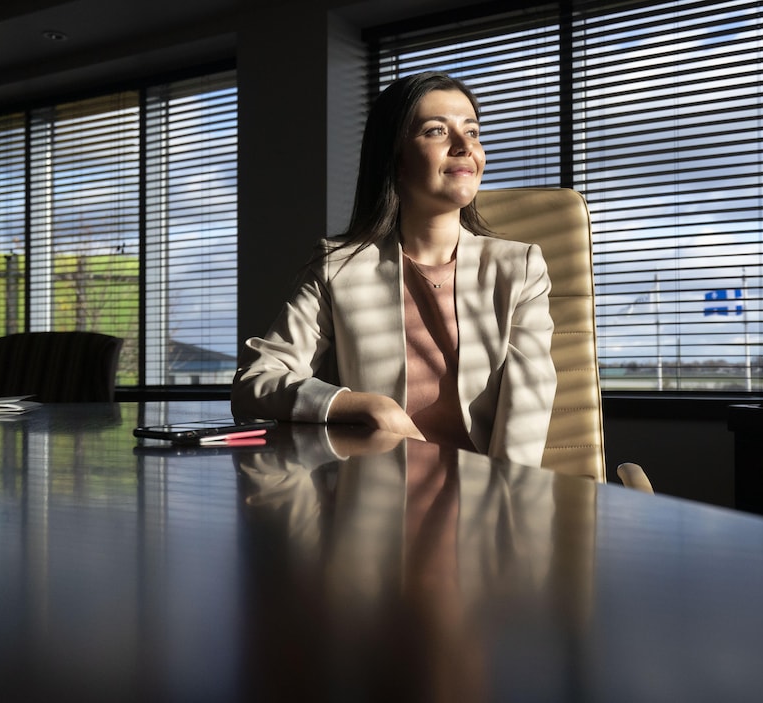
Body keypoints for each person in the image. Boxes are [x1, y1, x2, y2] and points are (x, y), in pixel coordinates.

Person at [231, 71, 557, 468]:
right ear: (395, 159)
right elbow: (255, 382)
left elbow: (526, 413)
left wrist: (502, 512)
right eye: (437, 131)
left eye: (472, 132)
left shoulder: (518, 268)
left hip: (483, 503)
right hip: (373, 503)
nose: (464, 147)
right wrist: (367, 406)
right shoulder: (338, 266)